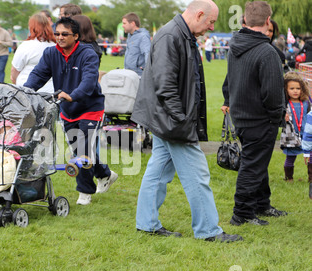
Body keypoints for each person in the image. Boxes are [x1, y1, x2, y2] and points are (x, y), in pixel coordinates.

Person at [130, 0, 242, 242]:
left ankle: (146, 223)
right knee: (197, 173)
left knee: (158, 171)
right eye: (211, 21)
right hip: (171, 120)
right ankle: (209, 231)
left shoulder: (180, 33)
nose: (212, 27)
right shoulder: (171, 35)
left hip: (165, 117)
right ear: (199, 14)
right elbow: (165, 84)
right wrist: (181, 120)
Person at [24, 17, 118, 206]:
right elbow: (39, 74)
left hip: (90, 108)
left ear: (76, 36)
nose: (59, 37)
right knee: (80, 149)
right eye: (57, 33)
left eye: (64, 34)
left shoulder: (87, 54)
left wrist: (73, 95)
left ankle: (84, 192)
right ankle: (105, 173)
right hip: (67, 110)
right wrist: (24, 91)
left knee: (84, 149)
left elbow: (90, 81)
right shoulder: (51, 53)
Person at [223, 1, 288, 226]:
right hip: (259, 118)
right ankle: (242, 213)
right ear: (267, 21)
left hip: (241, 116)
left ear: (246, 20)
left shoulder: (235, 46)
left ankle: (262, 204)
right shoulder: (267, 52)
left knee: (257, 162)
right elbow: (272, 92)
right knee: (252, 166)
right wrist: (275, 116)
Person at [11, 13, 56, 92]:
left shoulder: (26, 46)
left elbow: (14, 71)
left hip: (27, 89)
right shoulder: (55, 46)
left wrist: (16, 82)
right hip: (50, 90)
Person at [282, 72, 311, 182]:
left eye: (298, 88)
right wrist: (282, 116)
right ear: (286, 89)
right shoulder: (284, 104)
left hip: (306, 135)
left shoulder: (306, 103)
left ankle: (311, 178)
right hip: (292, 135)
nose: (295, 91)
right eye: (292, 88)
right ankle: (289, 178)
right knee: (290, 157)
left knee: (311, 156)